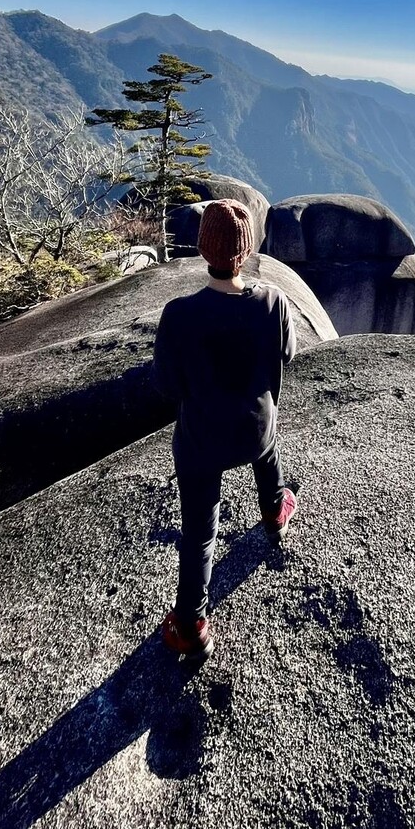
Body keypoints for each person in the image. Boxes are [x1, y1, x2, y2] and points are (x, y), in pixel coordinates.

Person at [153, 198, 298, 658]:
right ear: (248, 249)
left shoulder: (178, 316)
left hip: (203, 441)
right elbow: (288, 354)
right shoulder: (274, 300)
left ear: (203, 249)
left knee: (199, 531)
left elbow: (167, 385)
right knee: (267, 449)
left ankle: (192, 624)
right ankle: (276, 511)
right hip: (257, 428)